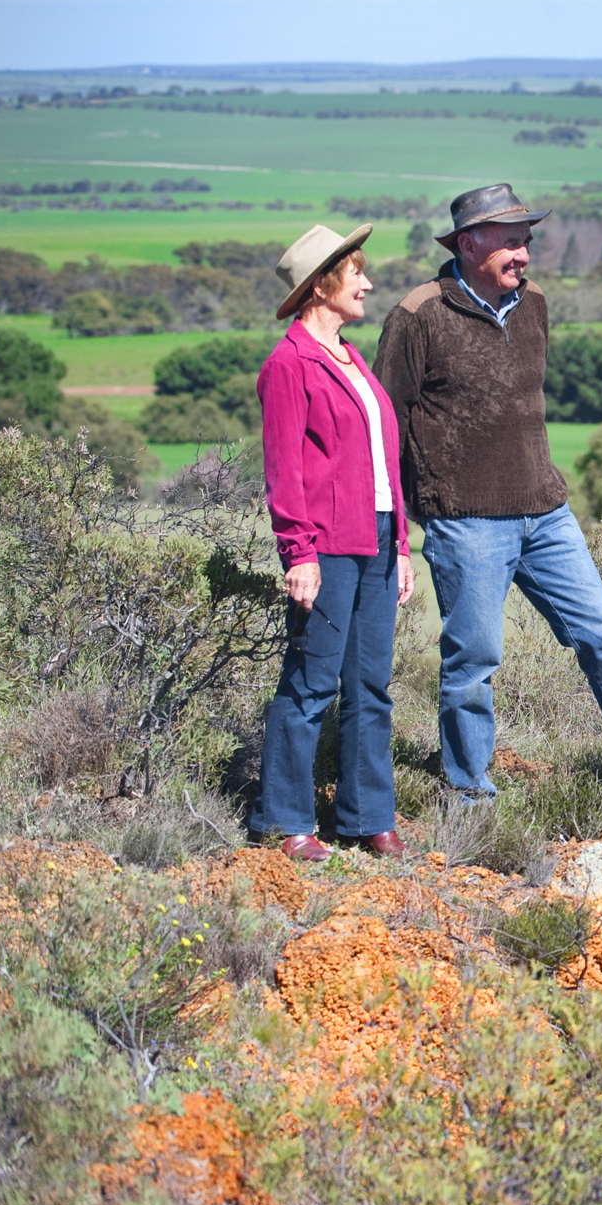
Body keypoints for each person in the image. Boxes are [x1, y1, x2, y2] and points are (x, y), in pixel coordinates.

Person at [375, 184, 602, 803]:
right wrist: (401, 529)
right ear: (468, 243)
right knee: (472, 664)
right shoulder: (417, 314)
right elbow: (385, 424)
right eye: (511, 240)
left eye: (528, 240)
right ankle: (469, 797)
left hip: (546, 512)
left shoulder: (533, 304)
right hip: (465, 520)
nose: (524, 253)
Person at [255, 223, 416, 861]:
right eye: (357, 275)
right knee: (311, 684)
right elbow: (284, 469)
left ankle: (366, 818)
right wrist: (298, 553)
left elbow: (383, 459)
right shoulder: (288, 363)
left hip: (376, 540)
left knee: (371, 686)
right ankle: (288, 822)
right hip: (325, 545)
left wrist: (400, 545)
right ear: (322, 285)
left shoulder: (352, 358)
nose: (369, 284)